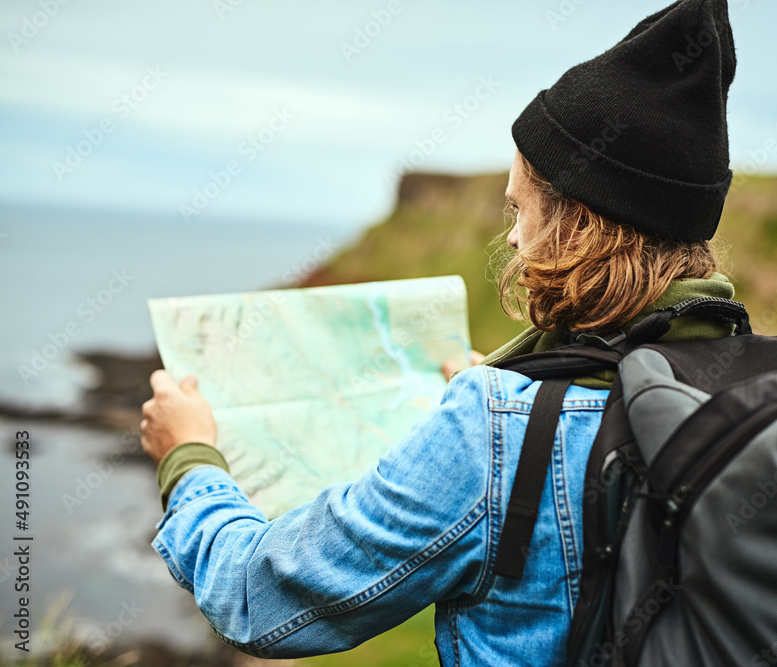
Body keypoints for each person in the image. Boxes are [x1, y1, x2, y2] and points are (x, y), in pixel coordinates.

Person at [141, 0, 738, 663]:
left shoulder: (493, 431)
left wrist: (188, 454)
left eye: (520, 209)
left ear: (573, 222)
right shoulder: (749, 387)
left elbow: (256, 595)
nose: (515, 238)